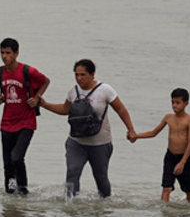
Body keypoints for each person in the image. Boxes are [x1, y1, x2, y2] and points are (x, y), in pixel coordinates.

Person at [39, 59, 136, 198]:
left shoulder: (105, 90)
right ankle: (71, 208)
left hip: (100, 144)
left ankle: (105, 208)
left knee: (101, 178)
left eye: (83, 75)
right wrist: (45, 104)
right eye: (76, 75)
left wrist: (131, 130)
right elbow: (65, 109)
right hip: (76, 142)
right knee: (72, 171)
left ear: (92, 74)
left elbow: (121, 109)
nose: (79, 78)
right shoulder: (73, 91)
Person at [0, 38, 50, 195]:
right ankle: (10, 195)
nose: (4, 56)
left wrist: (37, 98)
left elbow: (46, 81)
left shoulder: (28, 71)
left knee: (17, 157)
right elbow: (7, 91)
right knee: (7, 163)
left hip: (26, 122)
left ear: (16, 53)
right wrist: (1, 98)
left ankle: (24, 191)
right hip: (6, 123)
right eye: (2, 53)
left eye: (8, 53)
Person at [132, 88, 190, 202]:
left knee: (188, 189)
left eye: (178, 103)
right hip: (170, 157)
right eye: (172, 102)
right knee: (166, 188)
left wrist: (182, 163)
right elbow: (153, 133)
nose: (174, 106)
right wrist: (137, 136)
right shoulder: (168, 118)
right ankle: (165, 215)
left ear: (186, 104)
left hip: (184, 158)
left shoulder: (189, 120)